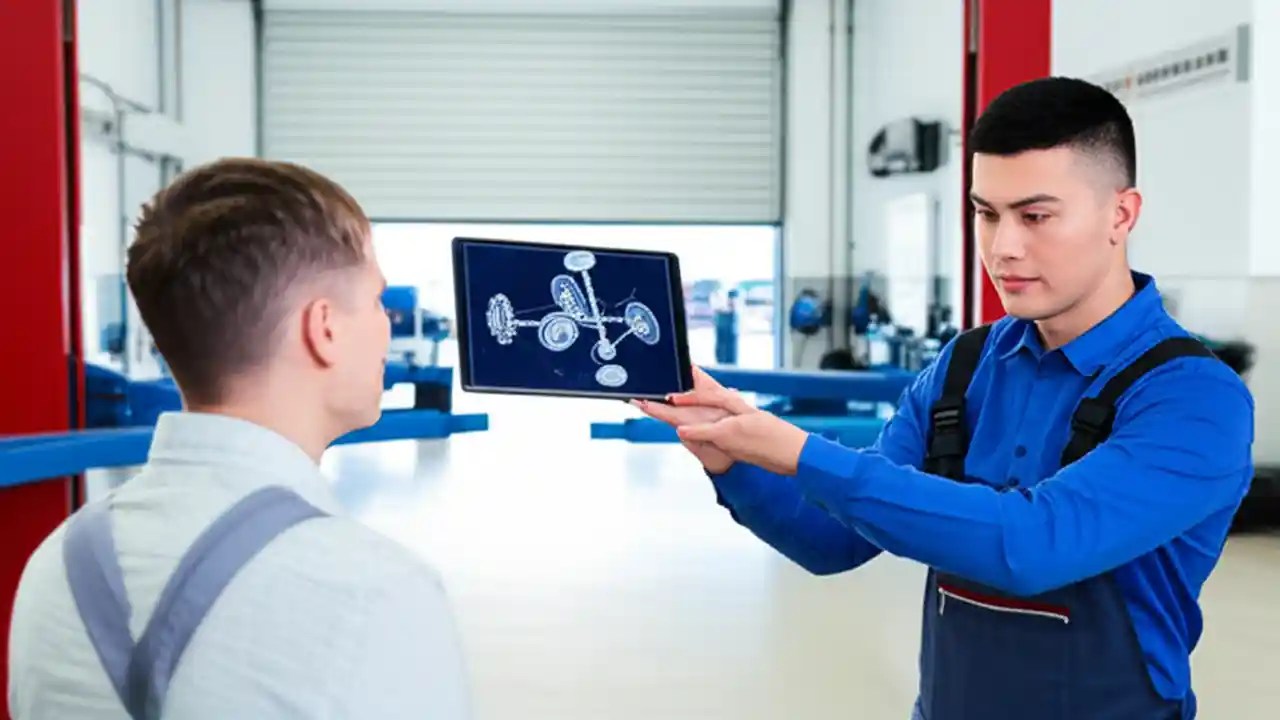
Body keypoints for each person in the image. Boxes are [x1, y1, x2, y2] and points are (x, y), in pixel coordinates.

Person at [640, 77, 1254, 720]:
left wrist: (799, 452)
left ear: (1121, 215)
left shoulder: (1193, 398)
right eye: (987, 214)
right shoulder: (966, 365)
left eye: (1036, 216)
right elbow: (830, 540)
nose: (1003, 247)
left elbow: (1030, 547)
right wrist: (726, 449)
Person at [8, 159, 471, 719]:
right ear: (323, 328)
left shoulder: (51, 568)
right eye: (375, 301)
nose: (387, 325)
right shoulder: (378, 591)